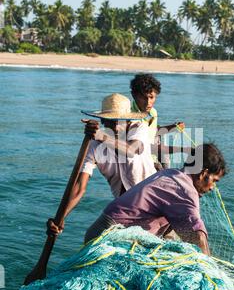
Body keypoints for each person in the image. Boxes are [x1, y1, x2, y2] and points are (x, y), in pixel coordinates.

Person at [80, 142, 234, 275]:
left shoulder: (171, 174)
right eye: (214, 181)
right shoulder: (185, 191)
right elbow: (197, 237)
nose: (212, 188)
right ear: (203, 174)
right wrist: (214, 274)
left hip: (103, 229)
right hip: (108, 236)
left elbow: (182, 234)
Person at [47, 93, 156, 236]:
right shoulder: (94, 145)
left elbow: (132, 150)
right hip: (125, 207)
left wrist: (100, 135)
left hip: (155, 199)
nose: (116, 127)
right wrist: (60, 218)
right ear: (103, 122)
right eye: (111, 122)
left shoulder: (139, 128)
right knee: (92, 236)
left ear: (129, 121)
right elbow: (80, 187)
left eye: (120, 121)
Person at [130, 73, 186, 169]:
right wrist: (184, 149)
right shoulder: (128, 115)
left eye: (151, 97)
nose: (148, 102)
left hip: (154, 157)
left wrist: (173, 127)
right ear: (134, 95)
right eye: (144, 97)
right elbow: (144, 147)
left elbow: (153, 132)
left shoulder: (153, 112)